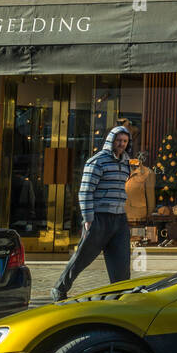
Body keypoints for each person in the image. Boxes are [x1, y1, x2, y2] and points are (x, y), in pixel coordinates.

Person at [51, 125, 133, 301]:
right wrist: (88, 218)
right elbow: (85, 191)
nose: (121, 144)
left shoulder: (126, 162)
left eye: (125, 141)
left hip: (119, 220)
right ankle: (59, 288)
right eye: (118, 140)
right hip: (99, 218)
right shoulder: (97, 161)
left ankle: (121, 297)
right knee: (82, 258)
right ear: (110, 141)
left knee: (122, 262)